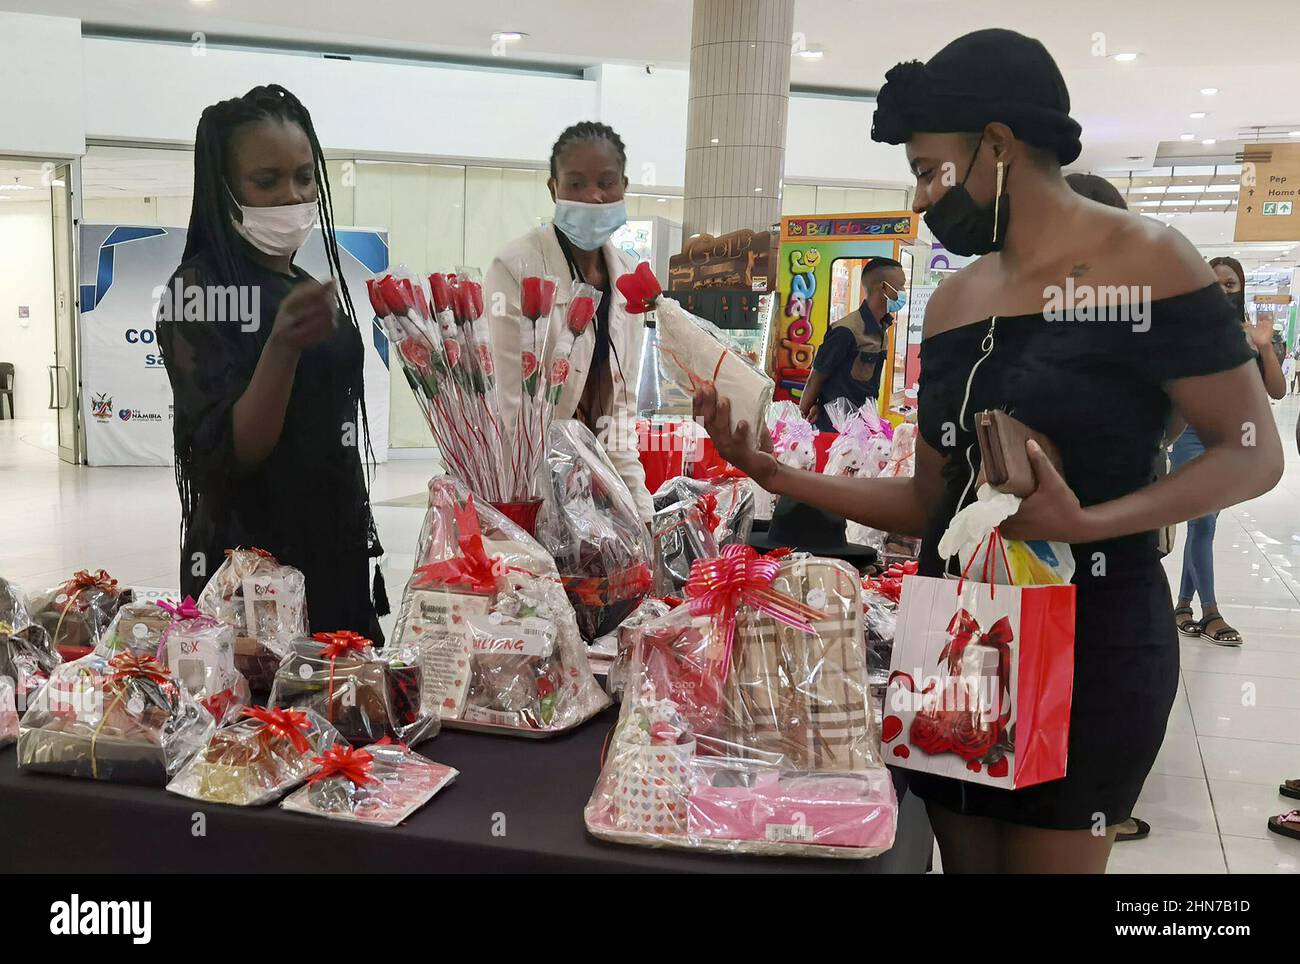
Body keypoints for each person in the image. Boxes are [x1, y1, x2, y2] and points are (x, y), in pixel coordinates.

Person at [693, 28, 1283, 873]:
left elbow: (1253, 451)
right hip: (956, 633)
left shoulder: (1147, 261)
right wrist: (778, 474)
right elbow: (935, 499)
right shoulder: (955, 301)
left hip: (1095, 636)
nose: (926, 198)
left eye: (933, 170)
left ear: (999, 147)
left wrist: (1088, 520)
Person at [158, 84, 386, 640]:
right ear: (225, 186)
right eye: (266, 180)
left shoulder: (304, 284)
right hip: (254, 568)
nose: (292, 195)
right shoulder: (199, 289)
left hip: (332, 547)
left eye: (304, 176)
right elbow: (230, 453)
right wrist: (281, 347)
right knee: (266, 720)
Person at [484, 121, 652, 522]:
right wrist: (554, 510)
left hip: (600, 486)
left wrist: (639, 510)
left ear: (624, 186)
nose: (593, 196)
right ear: (553, 189)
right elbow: (514, 410)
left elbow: (621, 409)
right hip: (528, 485)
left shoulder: (627, 277)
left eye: (606, 183)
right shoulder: (515, 267)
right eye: (575, 184)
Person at [1063, 171, 1150, 845]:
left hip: (1106, 615)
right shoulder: (992, 330)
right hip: (986, 618)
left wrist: (1087, 521)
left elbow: (1252, 457)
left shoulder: (1149, 339)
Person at [1169, 255, 1286, 646]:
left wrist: (1265, 347)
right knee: (1201, 522)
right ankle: (1211, 613)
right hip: (1189, 436)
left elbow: (1276, 391)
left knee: (1204, 525)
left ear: (1240, 290)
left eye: (1230, 284)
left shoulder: (1248, 334)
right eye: (1214, 282)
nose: (1222, 289)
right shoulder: (1184, 329)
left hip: (1232, 440)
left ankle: (1183, 606)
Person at [800, 257, 907, 431]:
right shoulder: (846, 330)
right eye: (901, 286)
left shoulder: (882, 327)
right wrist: (800, 424)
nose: (903, 292)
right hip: (836, 428)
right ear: (884, 288)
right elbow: (816, 378)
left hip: (864, 425)